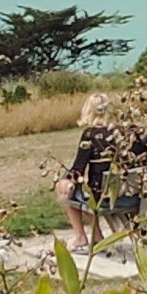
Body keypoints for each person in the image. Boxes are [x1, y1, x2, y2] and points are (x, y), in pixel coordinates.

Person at [56, 94, 136, 249]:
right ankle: (97, 236)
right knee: (85, 191)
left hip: (104, 198)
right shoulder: (125, 132)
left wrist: (64, 181)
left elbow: (78, 169)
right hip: (129, 194)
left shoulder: (90, 135)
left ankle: (83, 237)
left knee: (69, 192)